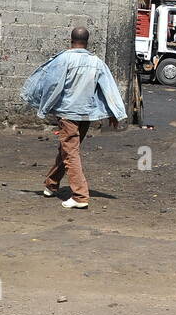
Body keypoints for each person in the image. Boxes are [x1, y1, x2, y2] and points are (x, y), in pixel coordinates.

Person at [20, 26, 126, 209]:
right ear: (87, 42)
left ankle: (80, 196)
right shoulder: (96, 62)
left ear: (71, 40)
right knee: (67, 149)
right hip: (86, 114)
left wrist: (44, 107)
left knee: (70, 153)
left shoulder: (64, 59)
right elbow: (109, 87)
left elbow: (51, 84)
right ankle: (51, 184)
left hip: (68, 113)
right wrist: (115, 112)